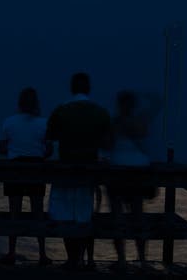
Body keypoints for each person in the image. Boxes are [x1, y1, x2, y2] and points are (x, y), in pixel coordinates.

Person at [46, 73, 111, 270]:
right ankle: (83, 258)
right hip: (88, 170)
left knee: (66, 215)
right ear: (89, 88)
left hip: (65, 169)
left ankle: (72, 258)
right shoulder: (100, 113)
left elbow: (50, 137)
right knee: (84, 215)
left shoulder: (61, 111)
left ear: (72, 88)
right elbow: (107, 141)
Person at [0, 87, 52, 266]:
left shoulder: (9, 122)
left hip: (15, 168)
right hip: (36, 167)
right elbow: (49, 149)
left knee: (14, 212)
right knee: (38, 212)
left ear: (19, 103)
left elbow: (2, 148)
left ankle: (12, 252)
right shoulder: (43, 123)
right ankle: (43, 254)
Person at [108, 91, 162, 270]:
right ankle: (141, 259)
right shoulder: (138, 122)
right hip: (136, 173)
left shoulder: (115, 123)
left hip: (118, 173)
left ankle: (123, 259)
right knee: (136, 218)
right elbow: (143, 134)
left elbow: (106, 145)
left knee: (120, 219)